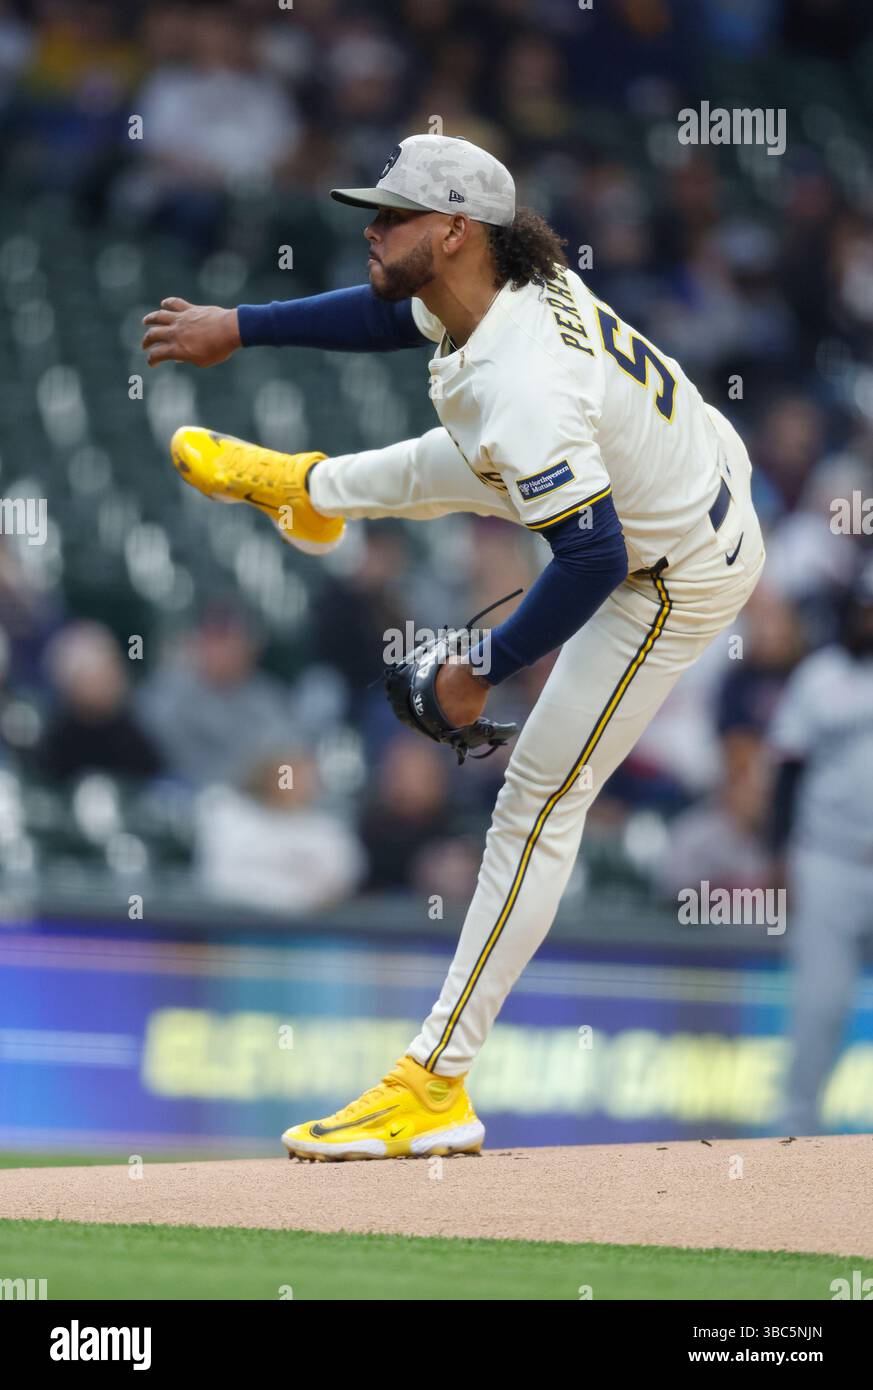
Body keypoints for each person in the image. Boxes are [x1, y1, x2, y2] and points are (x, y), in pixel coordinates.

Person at [143, 133, 765, 1161]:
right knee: (483, 452)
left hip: (675, 565)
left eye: (391, 214)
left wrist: (483, 667)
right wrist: (240, 328)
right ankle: (312, 493)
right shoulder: (496, 284)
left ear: (454, 230)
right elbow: (393, 314)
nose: (371, 229)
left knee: (536, 802)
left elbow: (593, 556)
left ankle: (436, 1082)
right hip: (674, 463)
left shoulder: (527, 376)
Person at [768, 555, 873, 1136]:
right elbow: (786, 772)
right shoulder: (820, 676)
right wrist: (778, 852)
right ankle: (795, 1136)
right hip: (828, 861)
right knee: (821, 1007)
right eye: (864, 608)